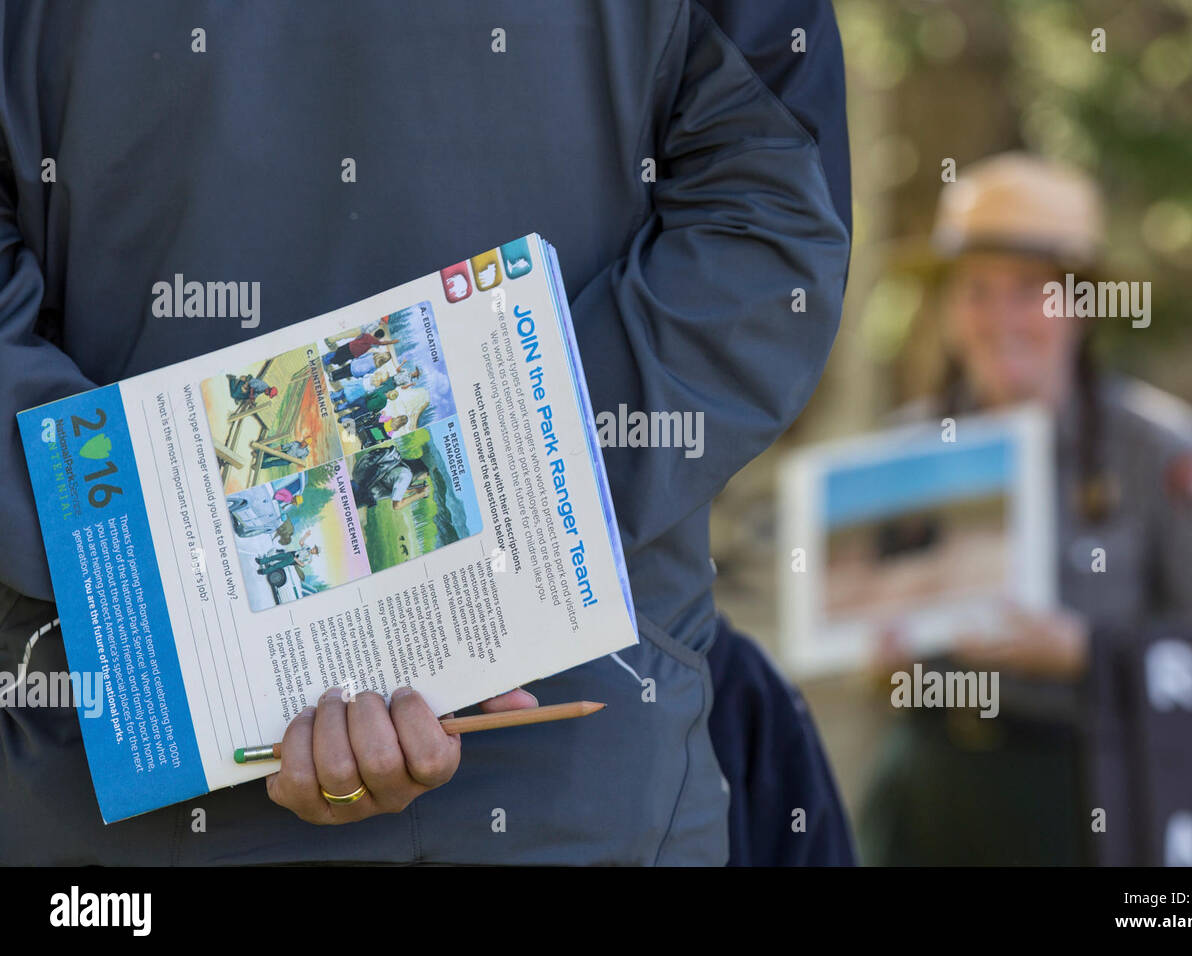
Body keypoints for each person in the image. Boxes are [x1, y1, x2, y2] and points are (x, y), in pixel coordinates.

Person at [0, 1, 851, 865]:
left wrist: (169, 588)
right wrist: (487, 537)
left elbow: (767, 220)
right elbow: (768, 229)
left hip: (124, 754)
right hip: (563, 774)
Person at [857, 152, 1192, 866]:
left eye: (1029, 291)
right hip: (932, 791)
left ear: (1081, 304)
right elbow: (870, 656)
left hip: (1093, 788)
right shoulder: (907, 448)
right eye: (975, 291)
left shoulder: (1156, 446)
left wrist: (1083, 654)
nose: (999, 319)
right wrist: (879, 658)